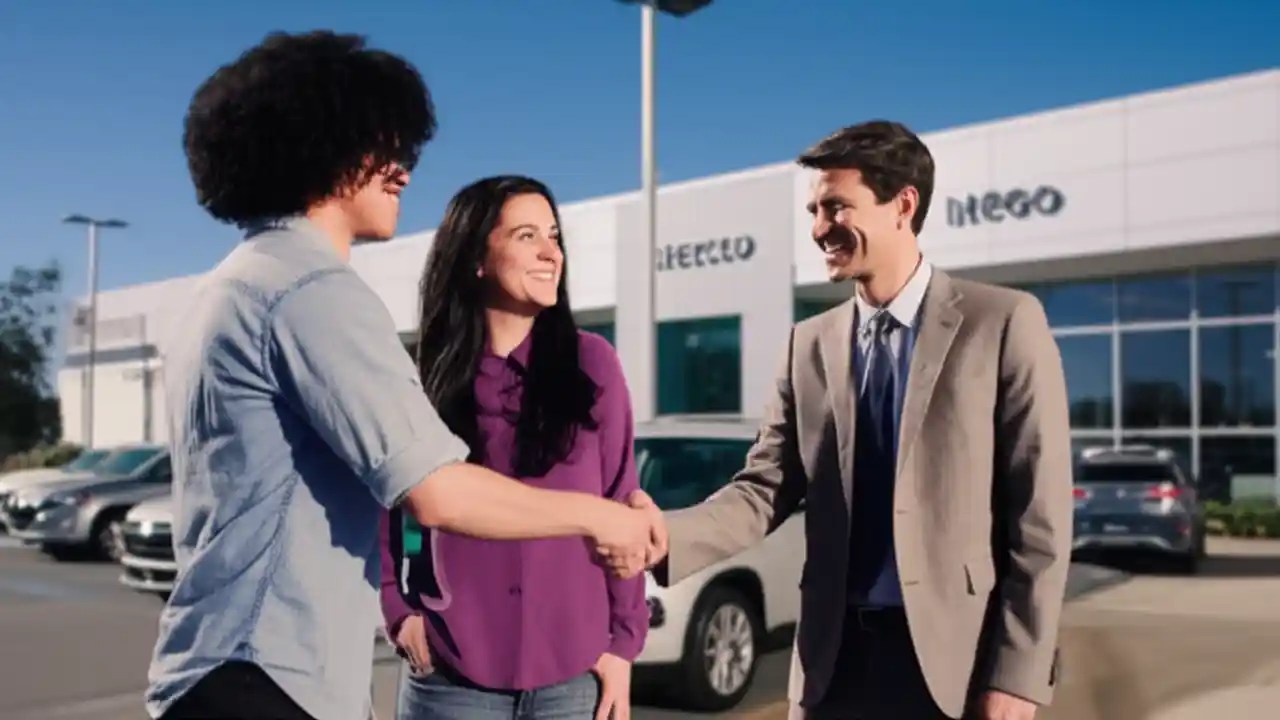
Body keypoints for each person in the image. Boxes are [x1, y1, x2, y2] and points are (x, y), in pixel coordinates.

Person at [147, 31, 660, 720]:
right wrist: (599, 518)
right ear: (320, 146)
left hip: (225, 668)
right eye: (384, 147)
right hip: (268, 677)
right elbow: (434, 495)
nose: (404, 171)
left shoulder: (229, 289)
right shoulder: (312, 292)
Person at [626, 120, 1074, 719]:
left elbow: (1039, 519)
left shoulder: (1004, 322)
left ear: (903, 204)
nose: (818, 228)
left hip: (956, 662)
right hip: (831, 662)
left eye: (836, 206)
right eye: (813, 209)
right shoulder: (805, 345)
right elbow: (764, 489)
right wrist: (668, 534)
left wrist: (1018, 674)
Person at [378, 175, 648, 720]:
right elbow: (394, 511)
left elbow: (621, 499)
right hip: (452, 679)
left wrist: (623, 644)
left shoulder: (593, 364)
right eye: (528, 235)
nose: (552, 252)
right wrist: (400, 607)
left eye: (555, 236)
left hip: (574, 679)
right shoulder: (422, 380)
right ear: (476, 256)